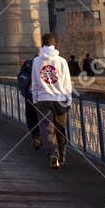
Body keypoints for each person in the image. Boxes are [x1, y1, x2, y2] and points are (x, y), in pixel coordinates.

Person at [31, 32, 73, 169]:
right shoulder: (61, 61)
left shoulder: (36, 61)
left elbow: (35, 82)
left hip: (43, 99)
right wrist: (69, 100)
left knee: (47, 129)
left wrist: (36, 99)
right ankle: (62, 155)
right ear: (54, 44)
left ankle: (53, 153)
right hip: (60, 99)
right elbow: (67, 83)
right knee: (60, 128)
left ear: (42, 44)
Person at [17, 51, 43, 150]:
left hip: (30, 96)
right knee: (45, 119)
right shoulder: (45, 64)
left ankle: (36, 137)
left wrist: (24, 92)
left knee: (31, 117)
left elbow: (21, 78)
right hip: (43, 96)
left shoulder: (28, 64)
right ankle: (48, 140)